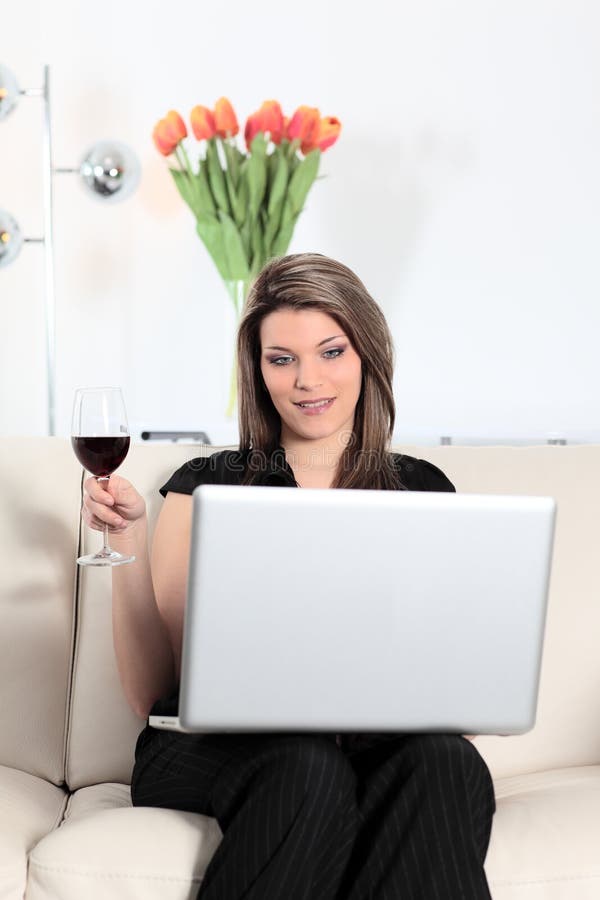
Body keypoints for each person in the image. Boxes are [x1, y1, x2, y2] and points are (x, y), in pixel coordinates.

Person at [82, 252, 496, 899]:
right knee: (310, 767)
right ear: (258, 370)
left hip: (372, 741)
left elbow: (452, 692)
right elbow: (151, 693)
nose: (308, 380)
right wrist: (126, 541)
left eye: (331, 352)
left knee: (449, 762)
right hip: (217, 748)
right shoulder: (208, 485)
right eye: (283, 359)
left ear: (367, 355)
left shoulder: (422, 490)